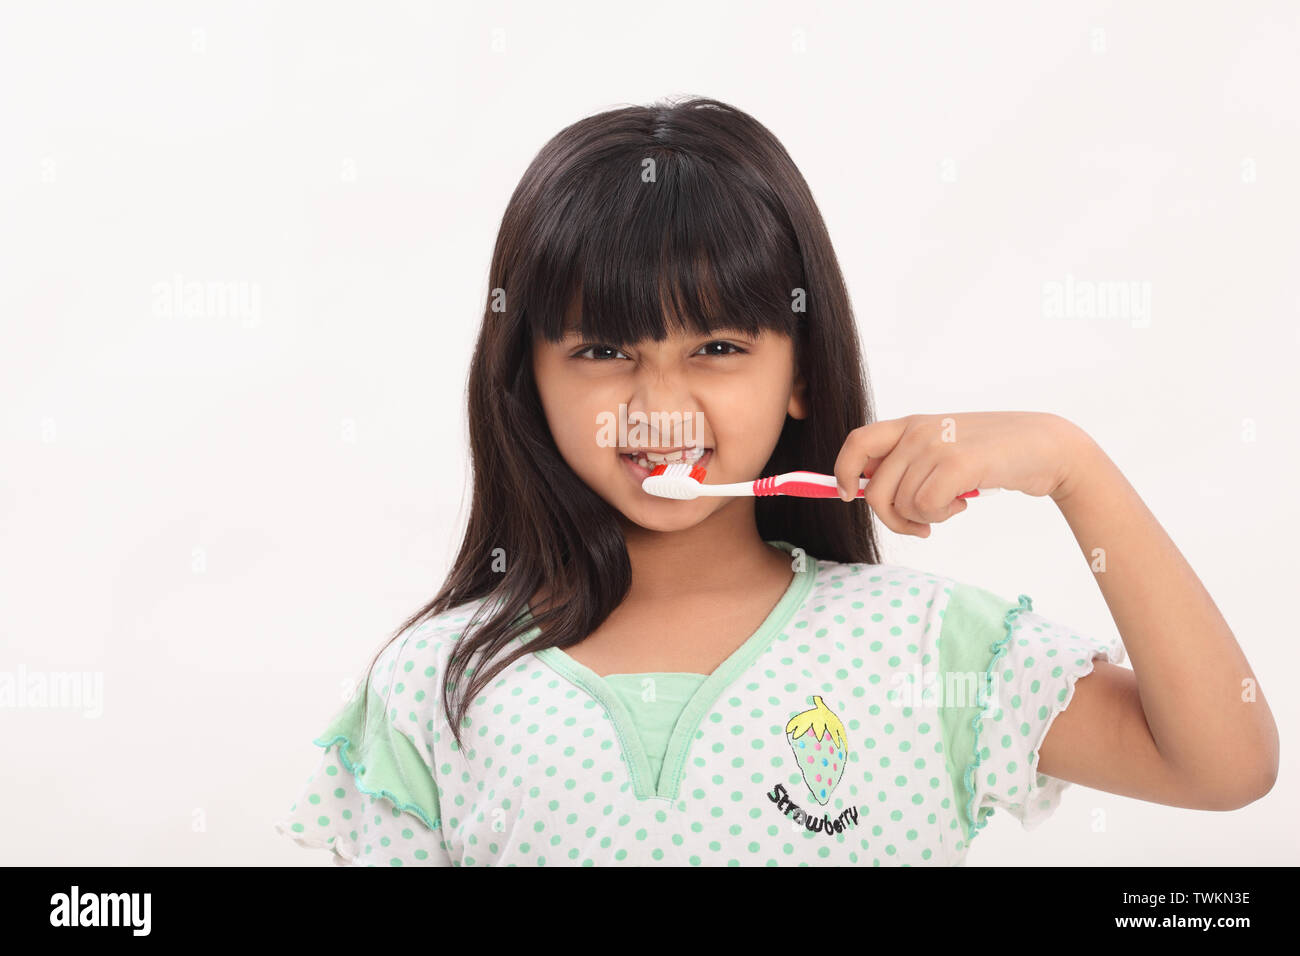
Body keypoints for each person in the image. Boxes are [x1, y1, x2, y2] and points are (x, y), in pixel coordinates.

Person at [273, 96, 1277, 866]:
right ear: (526, 377)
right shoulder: (437, 682)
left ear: (800, 369)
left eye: (715, 344)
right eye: (601, 350)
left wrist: (1072, 464)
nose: (657, 399)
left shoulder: (923, 646)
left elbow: (1224, 763)